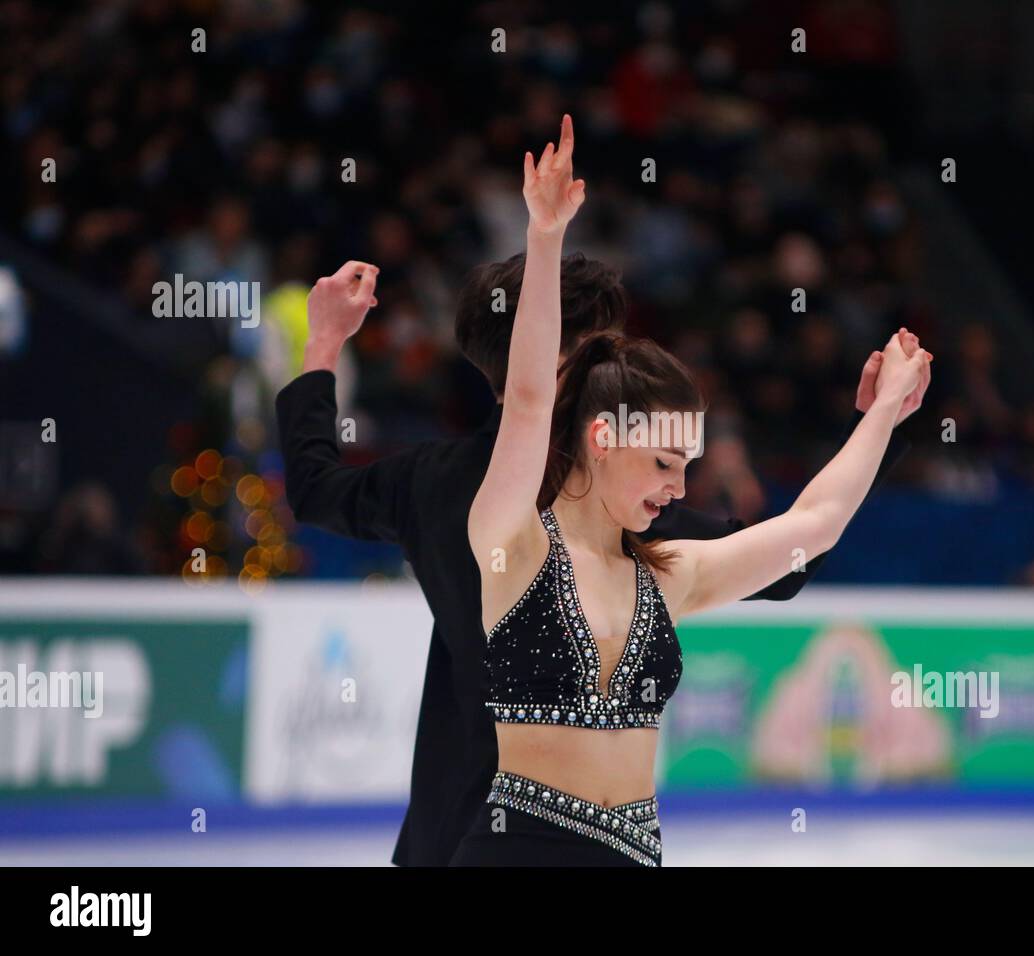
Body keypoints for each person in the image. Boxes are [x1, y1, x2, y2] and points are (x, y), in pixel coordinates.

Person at [274, 117, 928, 867]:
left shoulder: (637, 520)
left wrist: (884, 418)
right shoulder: (506, 503)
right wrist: (544, 234)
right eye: (597, 354)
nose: (614, 367)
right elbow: (525, 406)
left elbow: (803, 541)